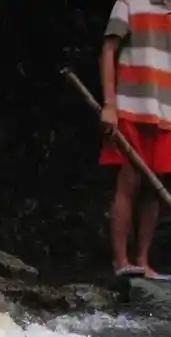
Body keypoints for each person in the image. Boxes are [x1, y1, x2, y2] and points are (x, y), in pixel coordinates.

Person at [99, 0, 171, 279]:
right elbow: (108, 50)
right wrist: (109, 105)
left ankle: (143, 261)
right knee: (129, 182)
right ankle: (121, 261)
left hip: (166, 112)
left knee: (155, 188)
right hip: (131, 107)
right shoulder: (129, 2)